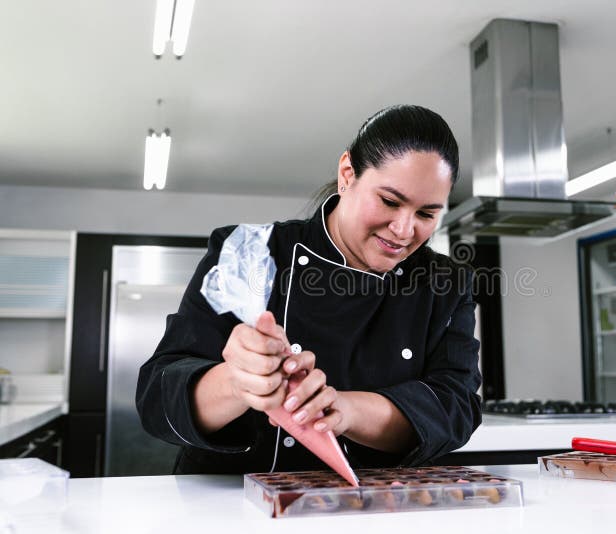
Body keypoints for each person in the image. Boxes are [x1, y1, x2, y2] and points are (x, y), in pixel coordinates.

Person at [136, 104, 482, 474]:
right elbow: (157, 399)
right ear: (348, 173)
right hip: (231, 506)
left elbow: (456, 406)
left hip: (372, 508)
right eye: (389, 201)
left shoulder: (446, 282)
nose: (403, 229)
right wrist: (237, 383)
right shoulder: (251, 253)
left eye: (426, 214)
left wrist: (346, 410)